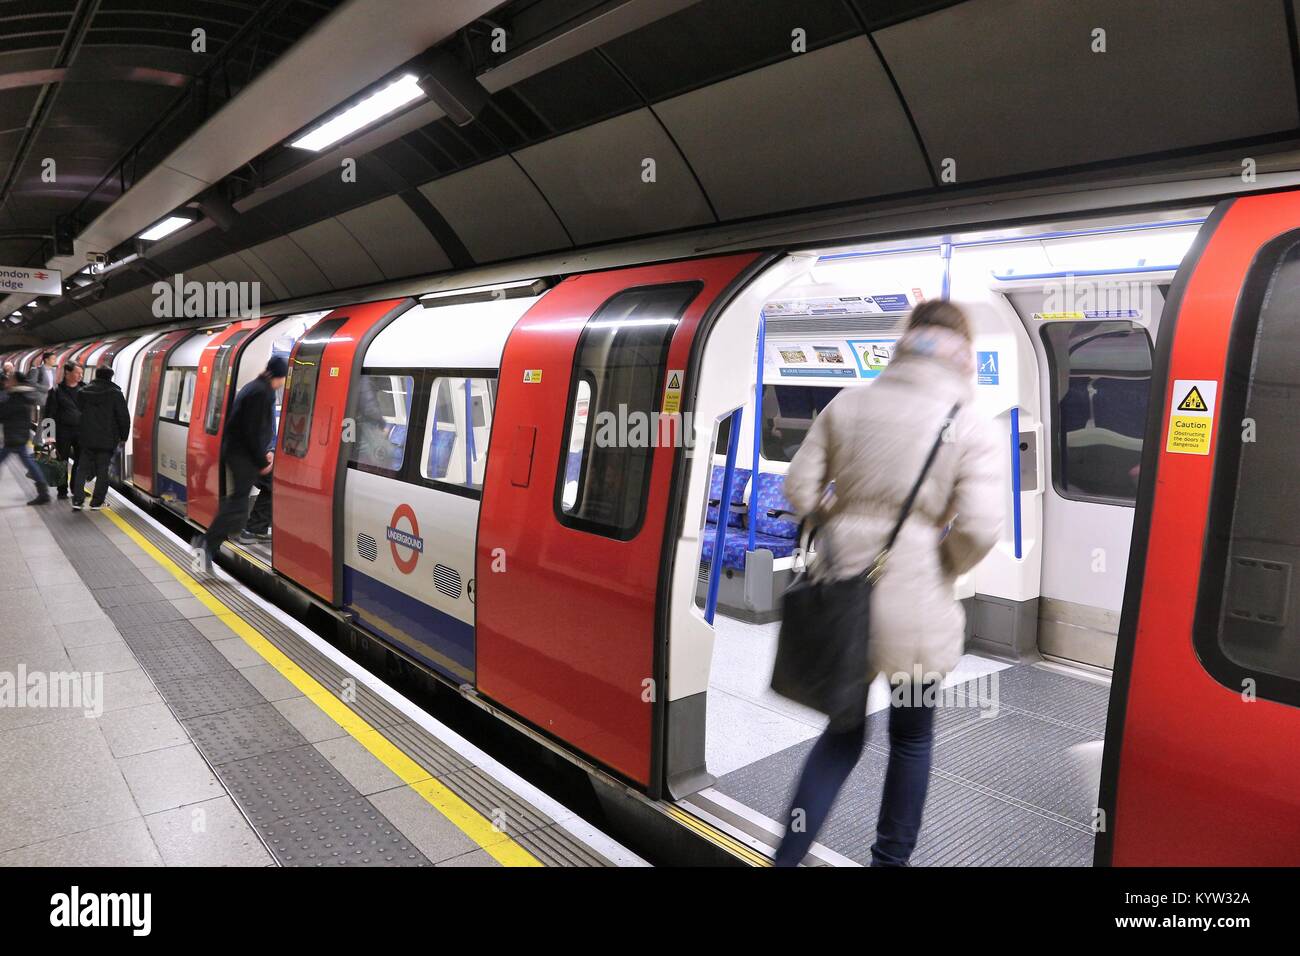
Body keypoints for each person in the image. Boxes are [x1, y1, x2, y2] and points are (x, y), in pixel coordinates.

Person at [774, 300, 1002, 867]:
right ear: (961, 353)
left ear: (904, 342)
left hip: (845, 595)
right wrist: (942, 561)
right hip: (918, 609)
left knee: (841, 735)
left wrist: (839, 522)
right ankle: (888, 862)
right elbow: (978, 525)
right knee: (912, 740)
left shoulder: (849, 402)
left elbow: (799, 489)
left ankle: (786, 858)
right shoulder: (970, 423)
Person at [197, 356, 286, 570]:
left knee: (254, 493)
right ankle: (206, 547)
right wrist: (262, 459)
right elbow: (252, 431)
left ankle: (248, 530)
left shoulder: (255, 388)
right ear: (279, 376)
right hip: (243, 455)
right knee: (237, 504)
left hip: (241, 453)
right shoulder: (261, 393)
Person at [71, 366, 130, 511]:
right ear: (110, 377)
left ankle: (77, 500)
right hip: (107, 439)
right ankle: (97, 502)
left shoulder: (82, 392)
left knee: (82, 469)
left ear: (96, 375)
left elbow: (77, 413)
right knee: (103, 470)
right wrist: (124, 436)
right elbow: (123, 417)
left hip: (87, 438)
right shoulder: (116, 394)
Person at [0, 368, 51, 505]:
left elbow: (4, 414)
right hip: (18, 435)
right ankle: (43, 493)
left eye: (10, 379)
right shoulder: (20, 395)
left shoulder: (16, 397)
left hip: (15, 436)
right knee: (30, 463)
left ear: (15, 381)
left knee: (29, 463)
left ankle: (44, 493)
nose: (7, 381)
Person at [42, 362, 84, 499]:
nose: (80, 375)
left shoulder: (85, 389)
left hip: (81, 432)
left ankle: (77, 488)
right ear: (67, 373)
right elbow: (49, 414)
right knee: (61, 462)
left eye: (81, 373)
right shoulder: (56, 391)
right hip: (62, 432)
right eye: (77, 373)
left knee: (81, 461)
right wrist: (48, 437)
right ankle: (62, 491)